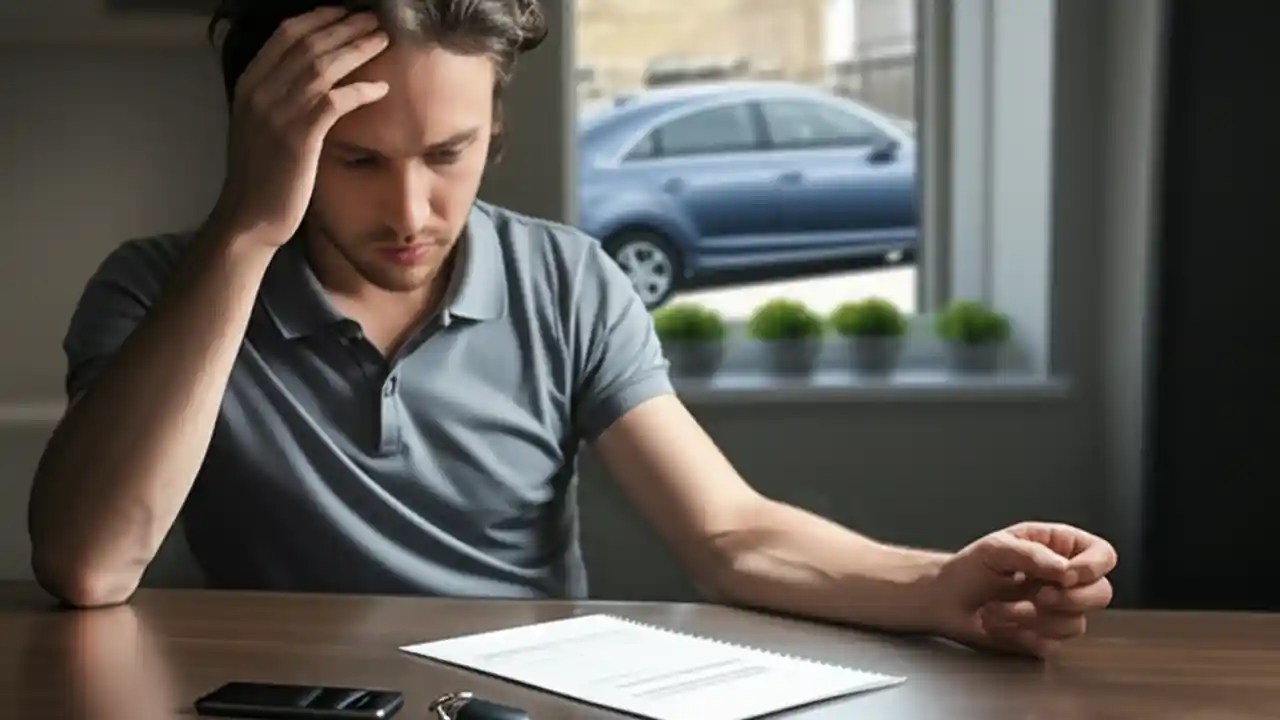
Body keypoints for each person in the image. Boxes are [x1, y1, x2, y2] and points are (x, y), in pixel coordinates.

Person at [27, 0, 1116, 659]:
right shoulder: (161, 289)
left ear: (494, 132)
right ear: (272, 137)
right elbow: (89, 567)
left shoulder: (564, 279)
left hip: (522, 702)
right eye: (355, 160)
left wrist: (940, 587)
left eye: (446, 154)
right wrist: (247, 232)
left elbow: (729, 534)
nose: (411, 214)